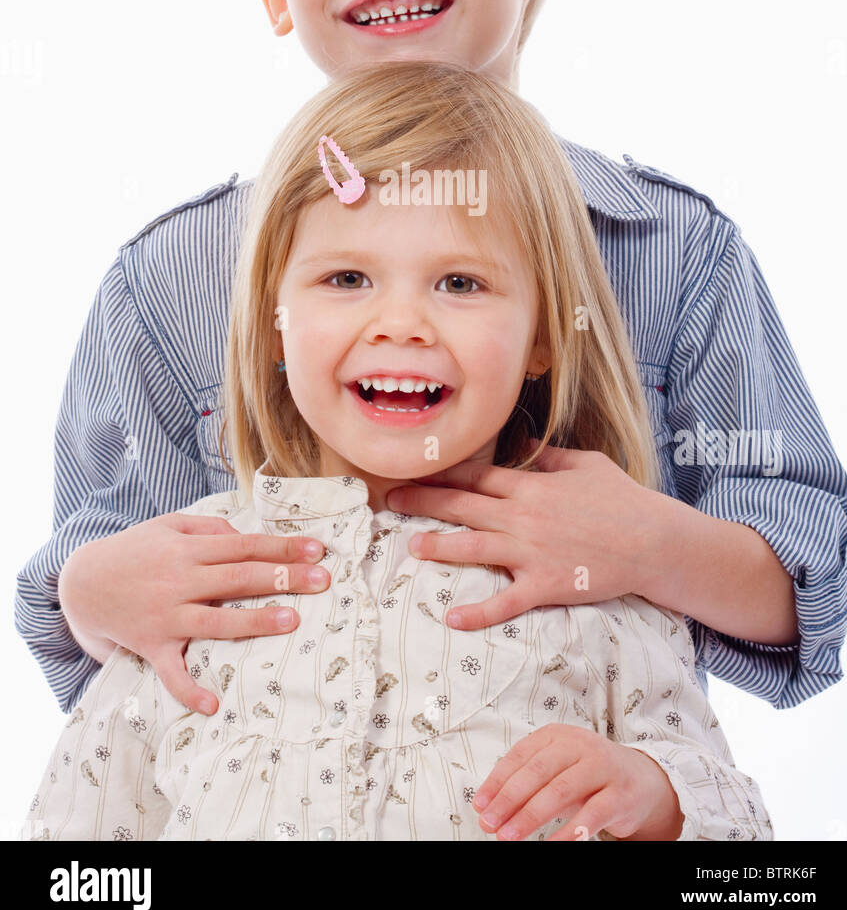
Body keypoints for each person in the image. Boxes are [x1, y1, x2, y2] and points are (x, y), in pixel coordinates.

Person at [16, 0, 847, 725]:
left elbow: (803, 587)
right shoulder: (170, 276)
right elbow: (90, 573)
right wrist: (88, 593)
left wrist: (644, 541)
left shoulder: (670, 248)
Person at [24, 62, 772, 842]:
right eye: (347, 277)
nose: (401, 323)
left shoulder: (595, 580)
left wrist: (653, 797)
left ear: (544, 337)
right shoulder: (195, 580)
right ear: (274, 319)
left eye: (459, 283)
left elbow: (742, 833)